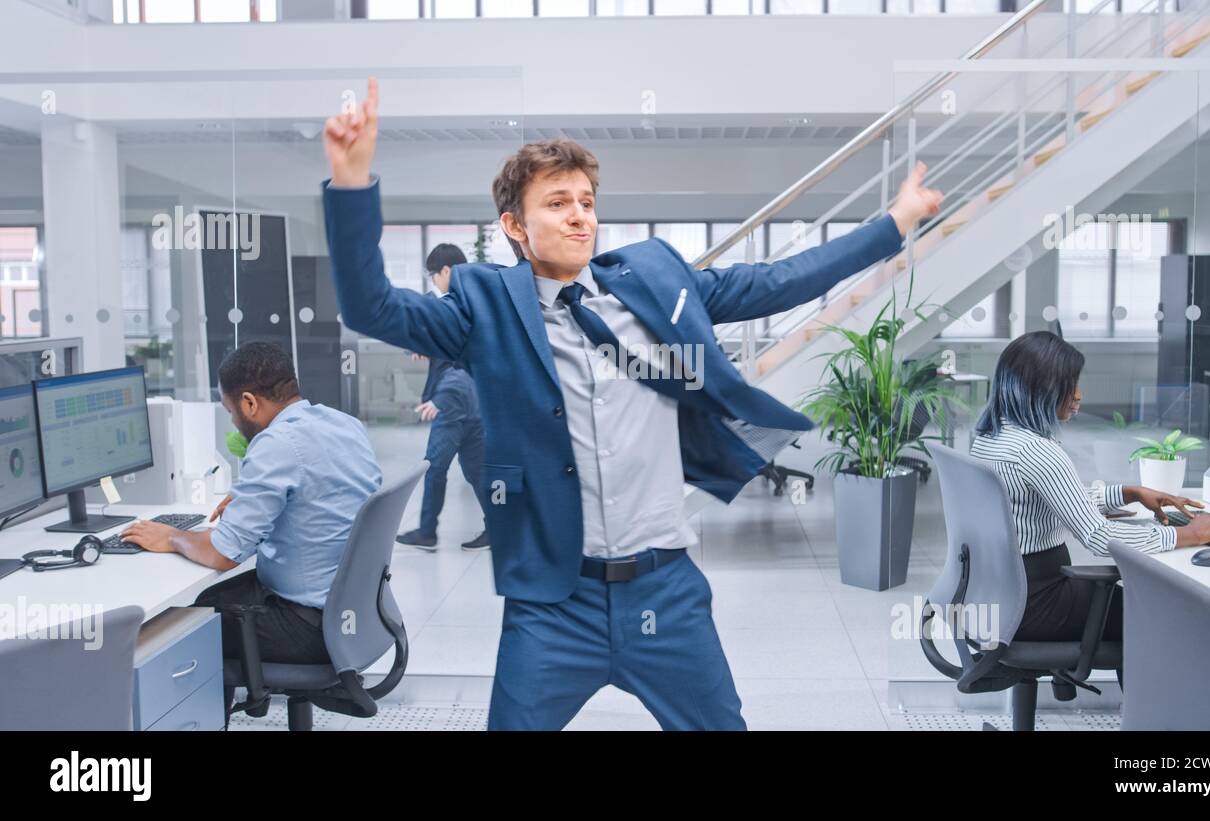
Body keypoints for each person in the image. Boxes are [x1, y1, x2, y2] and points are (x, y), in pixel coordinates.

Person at [320, 78, 942, 730]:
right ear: (514, 226)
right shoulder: (484, 306)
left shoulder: (652, 279)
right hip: (552, 605)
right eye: (557, 202)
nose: (578, 214)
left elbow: (776, 282)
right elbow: (373, 307)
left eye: (586, 201)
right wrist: (353, 184)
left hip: (665, 593)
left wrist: (893, 224)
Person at [120, 342, 382, 710]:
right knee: (210, 601)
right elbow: (324, 497)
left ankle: (209, 712)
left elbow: (223, 553)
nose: (233, 423)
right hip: (352, 610)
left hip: (309, 628)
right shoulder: (343, 424)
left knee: (182, 627)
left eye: (230, 412)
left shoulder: (277, 443)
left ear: (249, 402)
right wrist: (255, 502)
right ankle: (250, 700)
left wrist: (173, 537)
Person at [969, 331, 1210, 643]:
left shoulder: (992, 439)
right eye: (1069, 384)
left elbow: (1054, 499)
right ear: (1040, 389)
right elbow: (1098, 537)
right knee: (1160, 614)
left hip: (1003, 592)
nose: (1079, 395)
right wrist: (1189, 534)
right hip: (1037, 603)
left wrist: (1129, 492)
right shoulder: (1036, 451)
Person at [395, 242, 489, 551]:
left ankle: (427, 532)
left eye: (434, 275)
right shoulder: (470, 303)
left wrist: (441, 400)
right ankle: (499, 529)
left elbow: (458, 363)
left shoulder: (461, 305)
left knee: (435, 467)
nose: (434, 282)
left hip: (454, 401)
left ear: (446, 271)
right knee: (477, 469)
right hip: (476, 402)